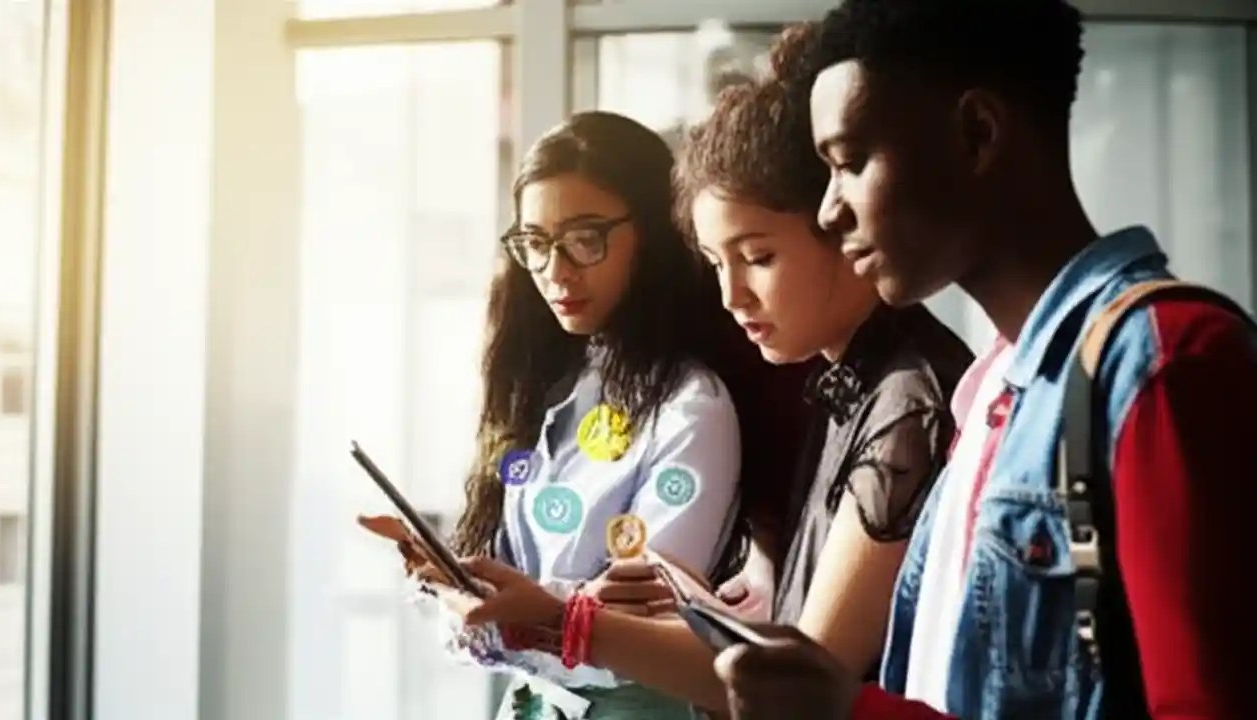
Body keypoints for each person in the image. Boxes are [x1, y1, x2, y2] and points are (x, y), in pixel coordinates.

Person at [715, 2, 1257, 718]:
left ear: (977, 134)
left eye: (848, 163)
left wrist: (851, 711)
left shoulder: (1165, 361)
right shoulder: (990, 393)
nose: (828, 210)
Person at [446, 77, 972, 714]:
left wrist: (566, 620)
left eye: (757, 256)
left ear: (837, 222)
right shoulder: (840, 381)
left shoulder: (900, 401)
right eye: (716, 263)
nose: (732, 296)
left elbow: (803, 685)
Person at [360, 110, 804, 719]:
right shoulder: (546, 389)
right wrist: (456, 582)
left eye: (585, 238)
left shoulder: (691, 406)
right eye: (536, 244)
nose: (556, 271)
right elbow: (509, 625)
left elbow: (641, 626)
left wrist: (529, 607)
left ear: (651, 232)